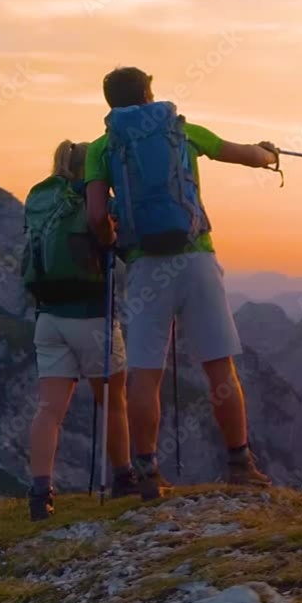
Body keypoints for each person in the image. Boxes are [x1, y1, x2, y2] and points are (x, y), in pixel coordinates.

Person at [86, 67, 279, 501]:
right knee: (219, 367)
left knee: (145, 375)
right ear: (150, 93)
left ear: (109, 103)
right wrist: (268, 153)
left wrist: (111, 243)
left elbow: (97, 215)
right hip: (197, 258)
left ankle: (147, 472)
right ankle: (240, 464)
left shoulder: (102, 147)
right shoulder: (182, 130)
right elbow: (246, 155)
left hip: (146, 266)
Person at [26, 140, 138, 521]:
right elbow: (118, 243)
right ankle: (124, 478)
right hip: (92, 316)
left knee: (49, 410)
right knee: (113, 402)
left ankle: (41, 493)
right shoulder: (94, 202)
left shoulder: (43, 200)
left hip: (48, 317)